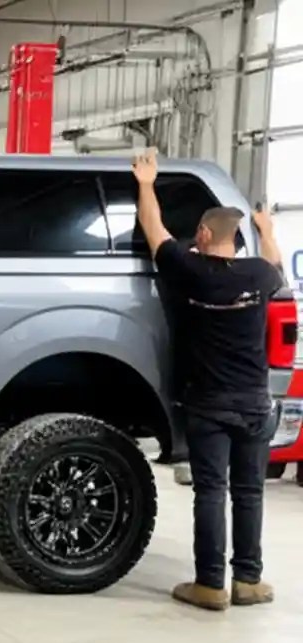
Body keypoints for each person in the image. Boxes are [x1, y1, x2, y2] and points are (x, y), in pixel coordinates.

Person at [132, 147, 284, 611]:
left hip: (210, 405)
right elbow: (275, 265)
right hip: (256, 405)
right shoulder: (258, 274)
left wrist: (145, 183)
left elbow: (153, 230)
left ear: (201, 234)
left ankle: (210, 585)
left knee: (212, 493)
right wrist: (267, 230)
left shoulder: (190, 269)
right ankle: (249, 581)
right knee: (249, 493)